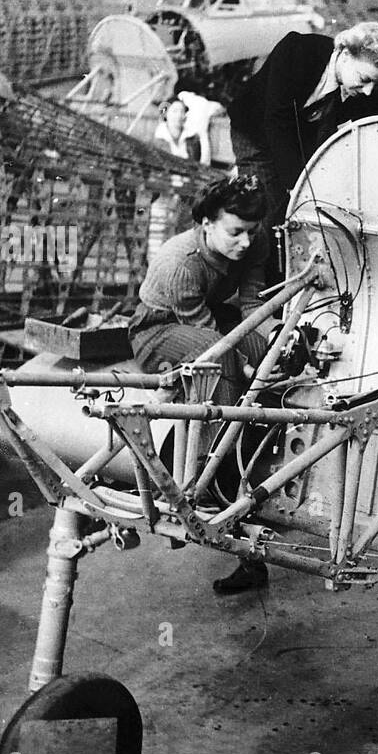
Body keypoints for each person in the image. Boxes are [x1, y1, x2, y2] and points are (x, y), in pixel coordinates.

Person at [128, 174, 277, 594]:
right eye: (235, 232)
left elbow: (250, 305)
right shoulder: (181, 261)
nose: (245, 243)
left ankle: (245, 464)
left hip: (215, 323)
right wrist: (244, 365)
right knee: (225, 359)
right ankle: (201, 469)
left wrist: (266, 350)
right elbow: (213, 343)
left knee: (268, 354)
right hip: (158, 331)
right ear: (207, 223)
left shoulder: (254, 240)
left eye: (251, 232)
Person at [226, 22, 378, 237]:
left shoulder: (374, 97)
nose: (369, 92)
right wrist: (300, 187)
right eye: (365, 79)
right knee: (267, 213)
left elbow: (366, 146)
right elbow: (277, 121)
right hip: (257, 130)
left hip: (300, 137)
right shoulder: (297, 51)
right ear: (344, 55)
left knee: (302, 216)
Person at [154, 88, 225, 165]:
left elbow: (201, 165)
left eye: (182, 111)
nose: (178, 116)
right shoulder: (159, 138)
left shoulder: (192, 139)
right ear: (166, 114)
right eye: (174, 111)